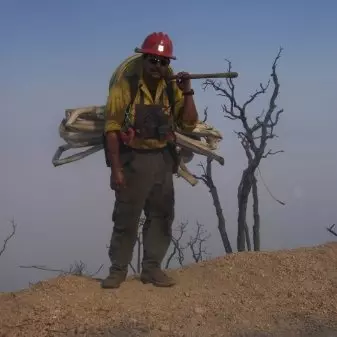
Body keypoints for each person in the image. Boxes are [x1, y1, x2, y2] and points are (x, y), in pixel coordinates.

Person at [101, 32, 198, 289]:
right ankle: (118, 270)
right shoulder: (127, 83)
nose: (158, 67)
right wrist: (116, 169)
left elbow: (188, 123)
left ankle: (152, 268)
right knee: (127, 216)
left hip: (162, 158)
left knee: (162, 215)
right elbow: (111, 128)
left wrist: (187, 92)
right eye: (153, 60)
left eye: (164, 62)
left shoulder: (170, 83)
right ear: (144, 58)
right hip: (134, 158)